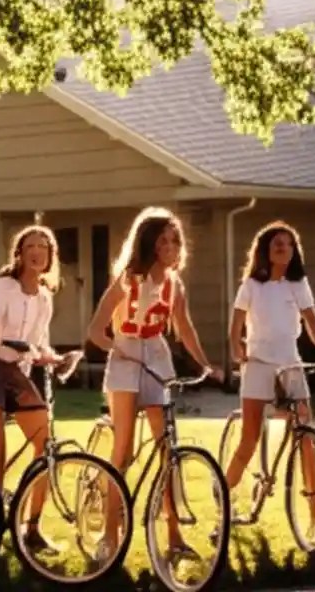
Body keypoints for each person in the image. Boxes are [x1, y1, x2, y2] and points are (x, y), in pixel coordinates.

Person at [86, 206, 222, 557]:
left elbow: (185, 328)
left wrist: (207, 365)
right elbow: (95, 331)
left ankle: (174, 537)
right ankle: (109, 534)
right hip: (126, 358)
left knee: (167, 450)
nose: (170, 246)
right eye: (163, 240)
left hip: (157, 357)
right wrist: (121, 350)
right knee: (124, 450)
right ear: (147, 243)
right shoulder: (127, 279)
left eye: (175, 240)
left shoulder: (174, 284)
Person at [223, 220, 315, 533]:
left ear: (293, 251)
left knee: (306, 431)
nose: (282, 246)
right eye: (276, 242)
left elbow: (313, 325)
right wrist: (237, 349)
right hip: (258, 363)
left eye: (288, 243)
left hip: (290, 363)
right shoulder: (251, 285)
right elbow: (235, 326)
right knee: (249, 439)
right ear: (265, 249)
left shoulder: (298, 284)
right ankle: (223, 500)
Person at [0, 225, 63, 552]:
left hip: (17, 374)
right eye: (30, 245)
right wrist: (2, 349)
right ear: (19, 253)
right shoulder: (2, 288)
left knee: (47, 448)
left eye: (43, 247)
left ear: (50, 257)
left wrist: (57, 358)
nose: (37, 252)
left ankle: (32, 528)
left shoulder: (45, 297)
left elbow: (38, 345)